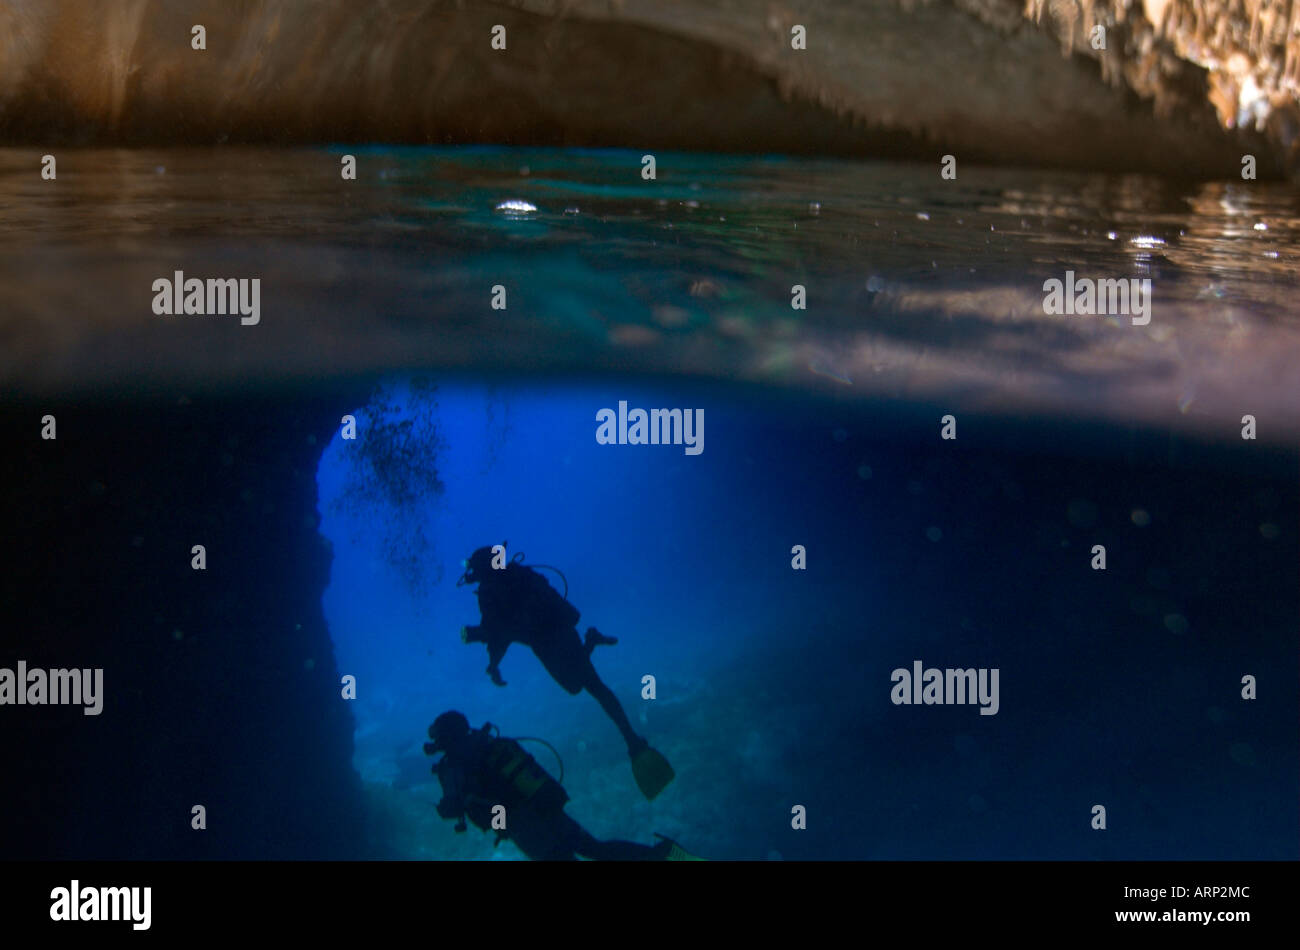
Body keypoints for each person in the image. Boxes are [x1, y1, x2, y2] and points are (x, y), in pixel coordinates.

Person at [457, 543, 675, 800]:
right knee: (589, 686)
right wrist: (494, 662)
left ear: (480, 569)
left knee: (583, 686)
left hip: (545, 642)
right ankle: (632, 739)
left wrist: (490, 660)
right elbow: (503, 631)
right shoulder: (518, 575)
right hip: (561, 630)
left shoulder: (489, 592)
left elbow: (497, 633)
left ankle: (632, 740)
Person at [424, 711, 700, 861]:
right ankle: (662, 854)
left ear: (446, 736)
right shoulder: (490, 744)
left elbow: (452, 806)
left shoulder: (453, 765)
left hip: (523, 826)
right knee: (596, 849)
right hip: (544, 806)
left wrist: (443, 808)